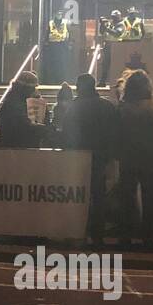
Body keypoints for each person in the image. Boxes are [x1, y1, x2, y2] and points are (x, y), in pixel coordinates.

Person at [63, 74, 119, 244]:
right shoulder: (106, 106)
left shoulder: (74, 107)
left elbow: (67, 131)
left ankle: (78, 230)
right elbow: (114, 132)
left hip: (78, 157)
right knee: (98, 195)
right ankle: (97, 233)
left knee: (78, 195)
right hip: (100, 156)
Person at [114, 69, 153, 246]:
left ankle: (126, 233)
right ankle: (148, 234)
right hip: (151, 157)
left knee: (127, 196)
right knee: (150, 196)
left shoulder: (123, 109)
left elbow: (117, 134)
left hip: (128, 156)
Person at [0, 71, 48, 148]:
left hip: (14, 146)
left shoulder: (11, 100)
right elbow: (21, 126)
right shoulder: (14, 103)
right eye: (33, 88)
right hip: (17, 147)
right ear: (26, 88)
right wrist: (41, 128)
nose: (34, 90)